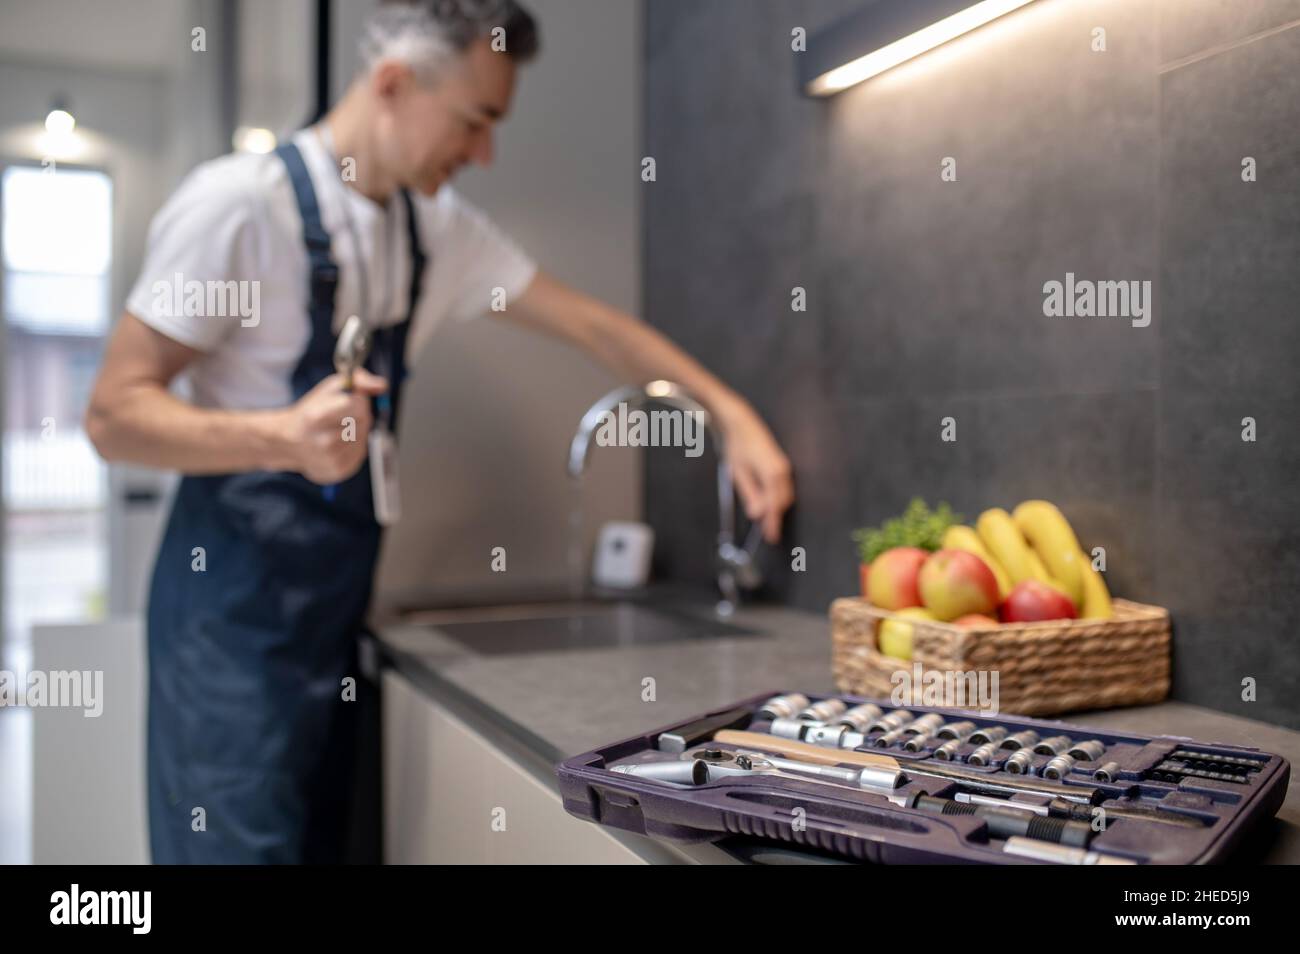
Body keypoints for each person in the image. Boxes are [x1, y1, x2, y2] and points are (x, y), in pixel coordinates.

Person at [85, 0, 794, 863]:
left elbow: (595, 327)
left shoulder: (433, 229)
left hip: (336, 626)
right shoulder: (237, 207)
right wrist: (282, 438)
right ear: (393, 84)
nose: (483, 153)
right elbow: (114, 413)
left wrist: (732, 414)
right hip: (227, 633)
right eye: (475, 119)